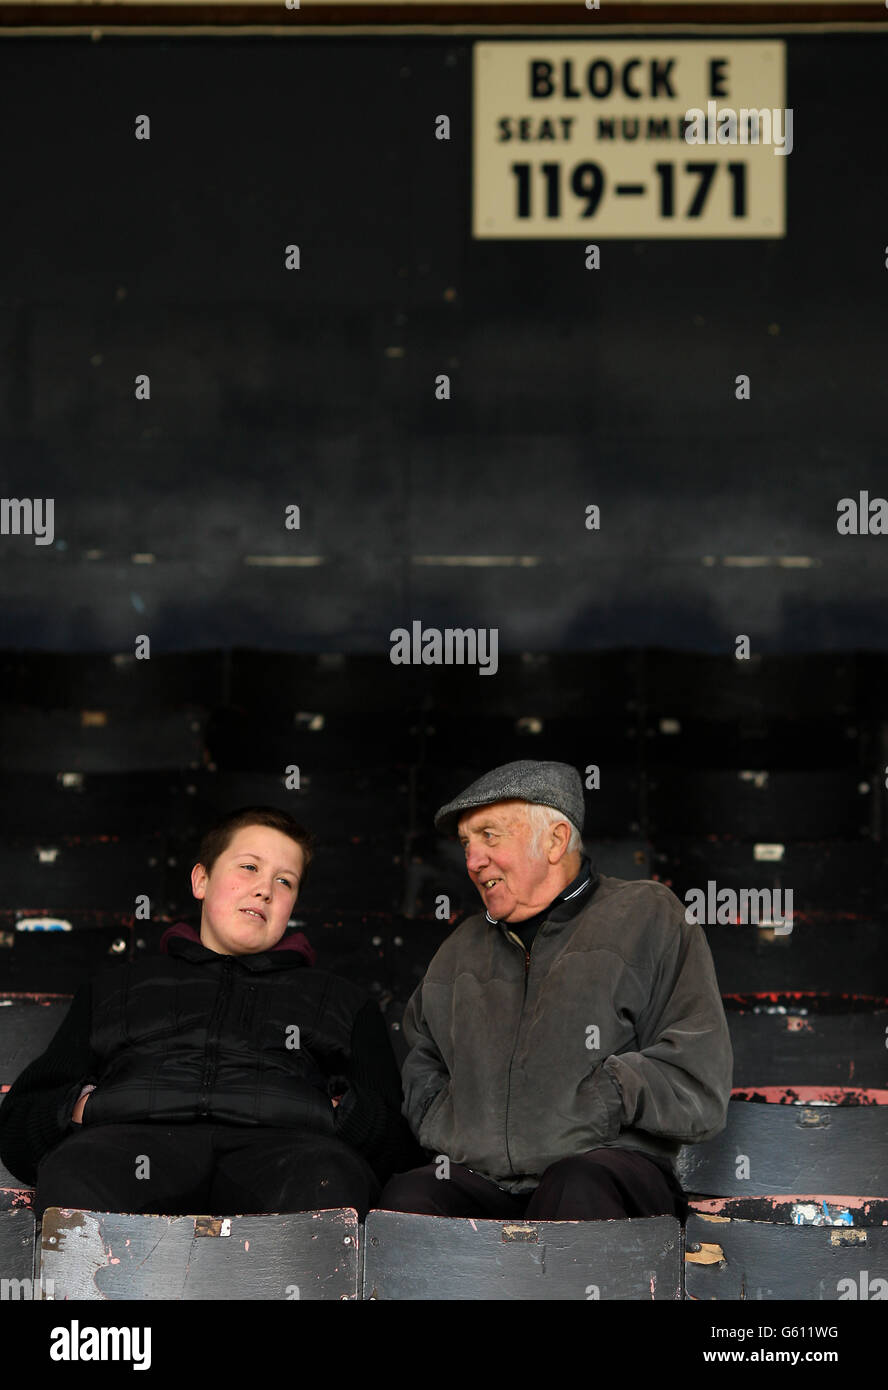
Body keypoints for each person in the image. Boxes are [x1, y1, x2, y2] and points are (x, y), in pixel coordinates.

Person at [0, 805, 421, 1221]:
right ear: (201, 880)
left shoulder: (343, 1001)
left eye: (284, 880)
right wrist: (77, 1109)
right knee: (74, 1175)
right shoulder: (117, 988)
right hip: (130, 1148)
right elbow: (21, 1125)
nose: (264, 889)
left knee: (330, 1182)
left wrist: (340, 1114)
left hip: (287, 1154)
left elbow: (397, 1144)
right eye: (249, 867)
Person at [379, 760, 733, 1222]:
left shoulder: (648, 915)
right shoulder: (460, 947)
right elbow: (422, 1062)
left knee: (575, 1186)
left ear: (555, 839)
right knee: (410, 1199)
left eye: (489, 836)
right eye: (466, 843)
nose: (472, 860)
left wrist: (605, 1097)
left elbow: (697, 1076)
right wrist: (450, 1122)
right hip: (483, 1175)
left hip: (606, 1166)